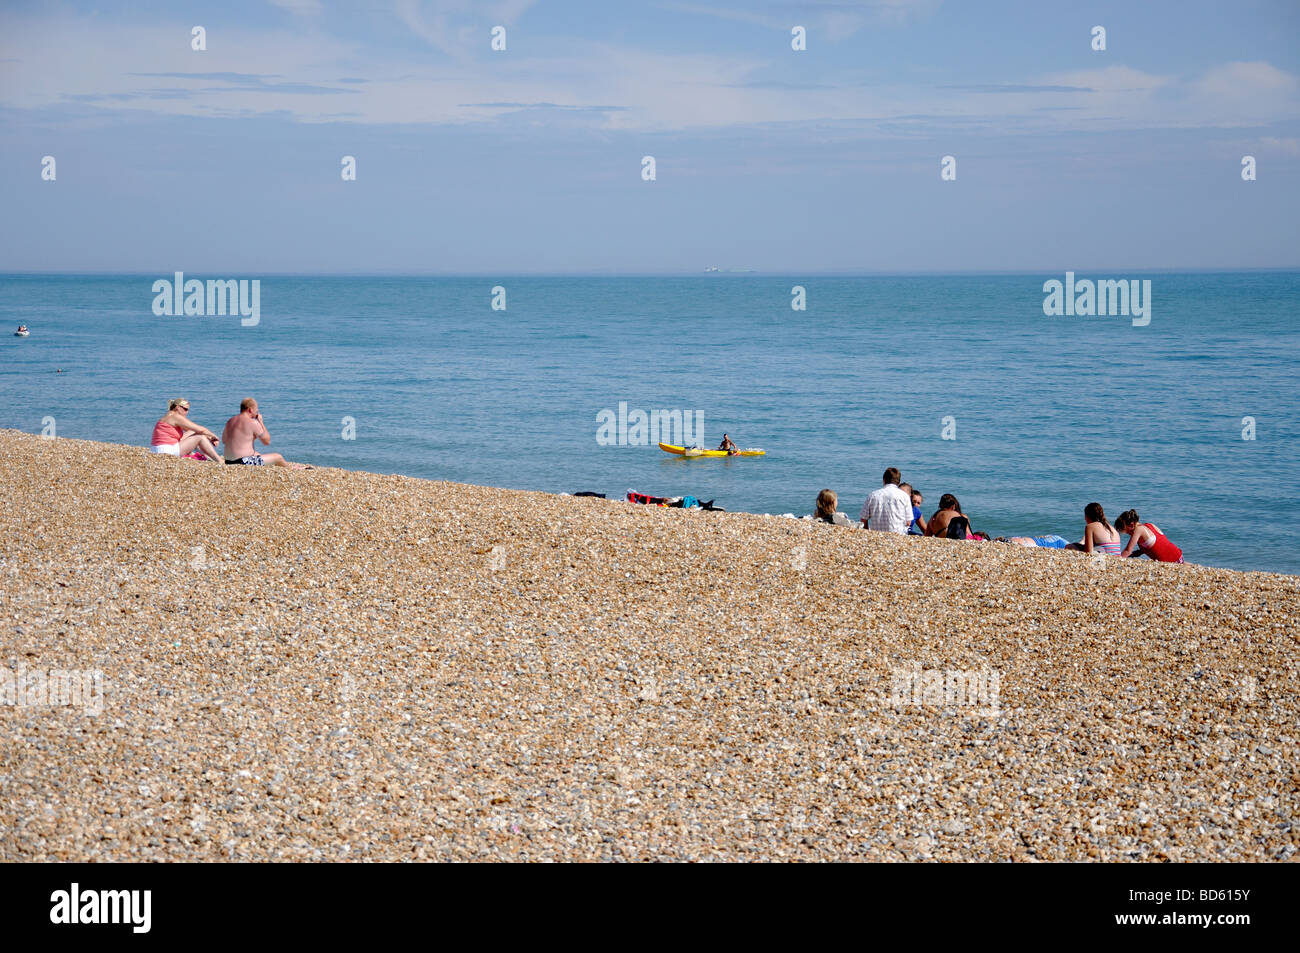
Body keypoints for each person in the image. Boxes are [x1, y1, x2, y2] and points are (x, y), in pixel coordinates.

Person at [221, 398, 309, 468]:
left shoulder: (230, 421)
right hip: (242, 462)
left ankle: (282, 466)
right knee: (277, 457)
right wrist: (260, 422)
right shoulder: (252, 422)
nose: (257, 413)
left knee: (258, 454)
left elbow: (224, 440)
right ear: (250, 410)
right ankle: (292, 470)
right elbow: (266, 441)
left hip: (228, 461)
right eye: (256, 411)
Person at [150, 398, 223, 463]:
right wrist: (214, 436)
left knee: (194, 432)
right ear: (178, 407)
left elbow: (192, 430)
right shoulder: (175, 417)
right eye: (185, 409)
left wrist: (209, 437)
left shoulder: (168, 416)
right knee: (200, 437)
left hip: (156, 450)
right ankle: (220, 461)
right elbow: (201, 429)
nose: (187, 412)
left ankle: (207, 456)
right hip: (166, 451)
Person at [1115, 510, 1184, 562]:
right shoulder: (1149, 525)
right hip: (1177, 554)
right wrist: (1135, 554)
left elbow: (1128, 550)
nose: (1127, 533)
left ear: (1131, 525)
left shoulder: (1138, 529)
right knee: (1183, 564)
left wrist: (1116, 560)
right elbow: (1157, 545)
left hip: (1170, 559)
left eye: (1125, 530)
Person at [859, 467, 912, 533]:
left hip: (876, 536)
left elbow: (863, 520)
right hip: (899, 536)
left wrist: (868, 534)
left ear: (884, 480)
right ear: (898, 482)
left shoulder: (873, 495)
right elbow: (908, 522)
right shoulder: (905, 496)